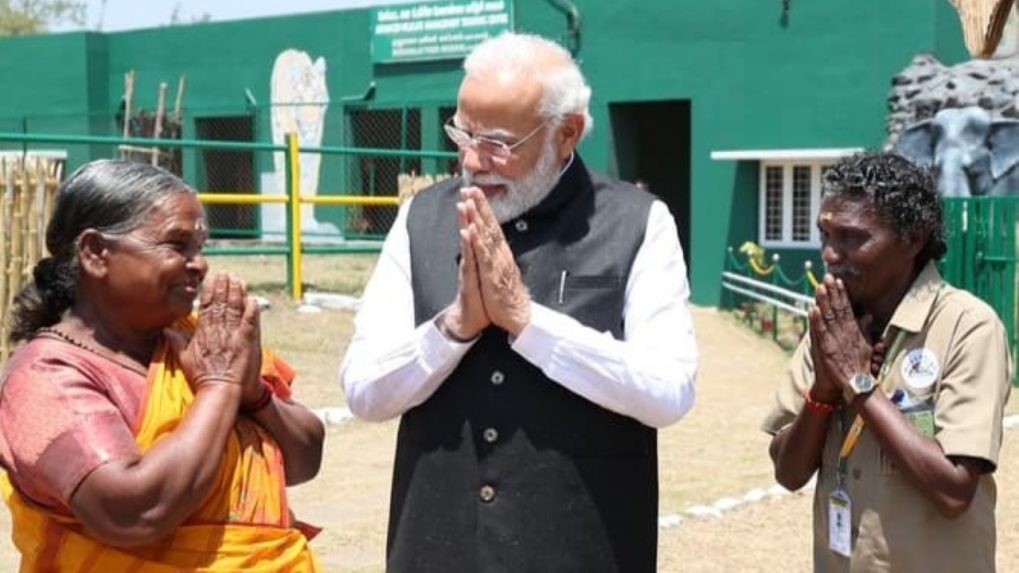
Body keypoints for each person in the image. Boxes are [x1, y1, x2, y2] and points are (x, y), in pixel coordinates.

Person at [341, 32, 697, 571]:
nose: (472, 159)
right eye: (463, 132)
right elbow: (365, 393)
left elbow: (669, 392)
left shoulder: (639, 223)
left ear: (567, 134)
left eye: (499, 144)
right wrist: (455, 328)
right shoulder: (419, 220)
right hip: (437, 550)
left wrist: (528, 324)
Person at [0, 160, 325, 570]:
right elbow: (134, 512)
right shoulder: (47, 376)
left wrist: (254, 395)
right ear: (96, 253)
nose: (199, 263)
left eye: (200, 247)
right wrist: (221, 387)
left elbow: (305, 460)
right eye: (176, 244)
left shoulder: (199, 342)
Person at [763, 152, 1012, 572]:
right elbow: (788, 473)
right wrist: (824, 391)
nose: (830, 253)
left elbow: (953, 492)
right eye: (825, 233)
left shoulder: (969, 326)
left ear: (912, 240)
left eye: (852, 237)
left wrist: (859, 384)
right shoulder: (834, 326)